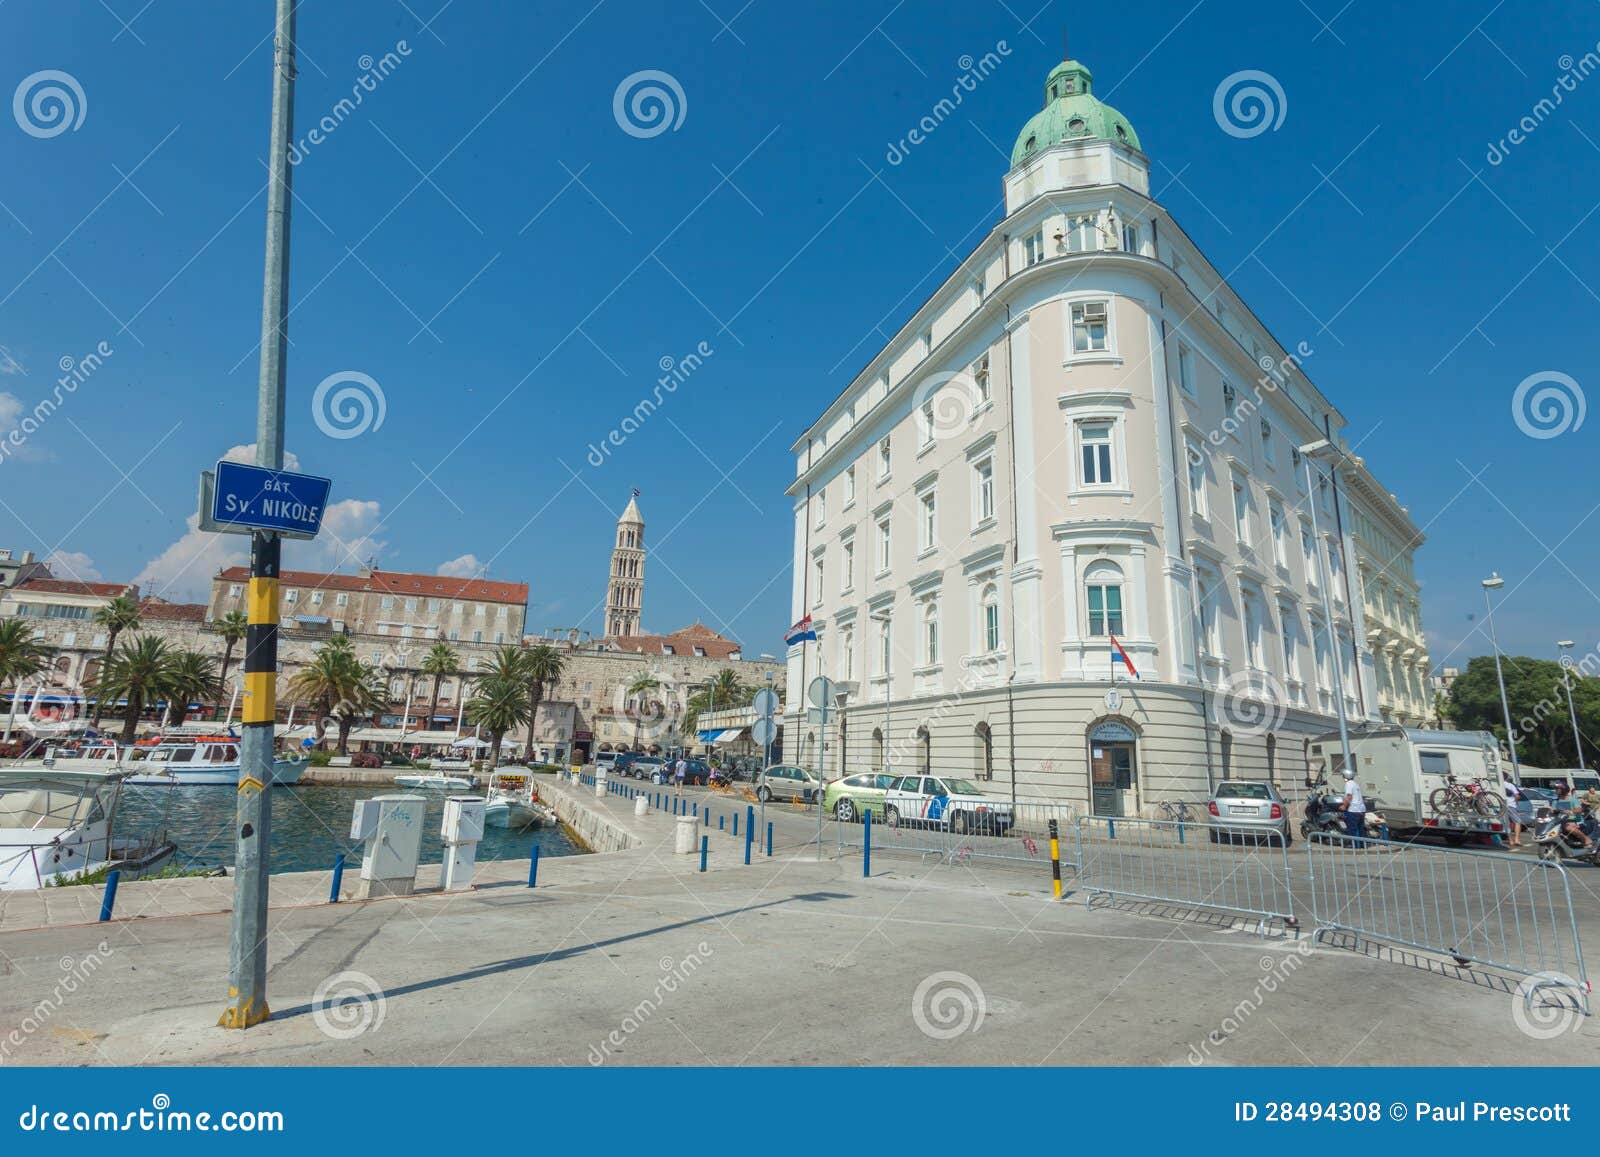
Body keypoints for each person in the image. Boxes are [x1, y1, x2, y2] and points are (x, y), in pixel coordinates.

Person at [1554, 782, 1593, 851]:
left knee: (1568, 827)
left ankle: (1586, 839)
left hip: (1575, 820)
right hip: (1560, 820)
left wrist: (1571, 811)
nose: (1556, 790)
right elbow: (1553, 809)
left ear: (1564, 789)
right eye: (1555, 788)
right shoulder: (1555, 801)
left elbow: (1579, 809)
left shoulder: (1572, 799)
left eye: (1558, 788)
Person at [1337, 768, 1367, 840]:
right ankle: (1362, 845)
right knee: (1360, 829)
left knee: (1352, 829)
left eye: (1343, 776)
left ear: (1346, 776)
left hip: (1354, 810)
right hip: (1361, 809)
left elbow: (1349, 796)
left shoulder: (1348, 784)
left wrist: (1344, 806)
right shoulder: (1355, 783)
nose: (1343, 777)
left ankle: (1353, 846)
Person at [1503, 773, 1523, 848]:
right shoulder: (1510, 785)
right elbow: (1517, 795)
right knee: (1518, 821)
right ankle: (1517, 839)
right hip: (1511, 805)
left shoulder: (1498, 785)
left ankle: (1510, 840)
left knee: (1506, 823)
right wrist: (1516, 801)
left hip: (1501, 806)